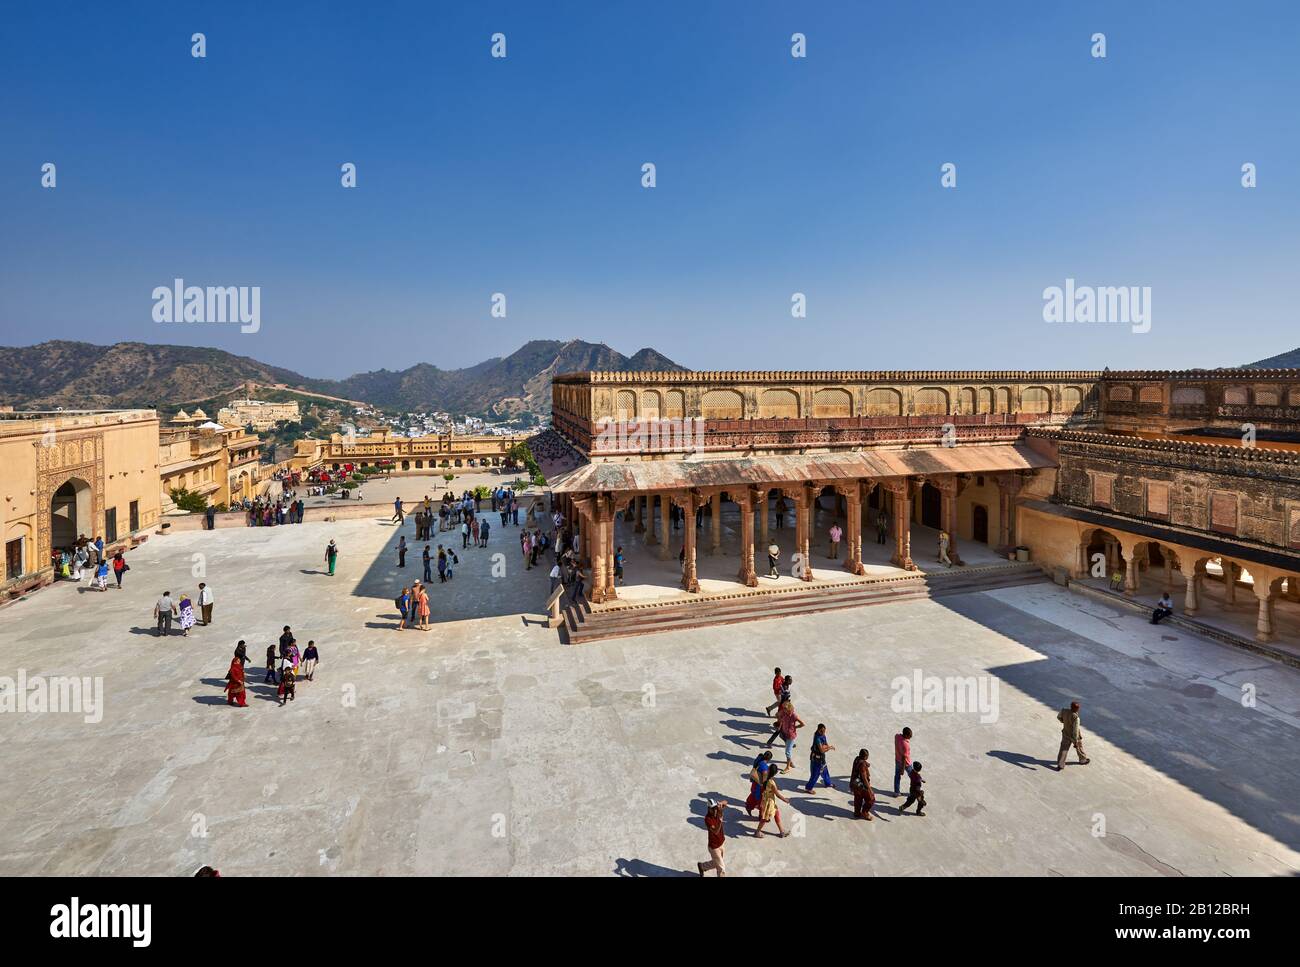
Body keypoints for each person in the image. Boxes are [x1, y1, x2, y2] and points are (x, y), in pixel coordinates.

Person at [1055, 701, 1091, 770]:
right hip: (1074, 736)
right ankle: (1082, 760)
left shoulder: (1064, 710)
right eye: (1078, 708)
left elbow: (1058, 717)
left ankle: (1060, 764)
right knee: (1079, 747)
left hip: (1065, 733)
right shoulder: (1076, 718)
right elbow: (1075, 730)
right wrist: (1075, 741)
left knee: (1063, 749)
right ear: (1076, 709)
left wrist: (1063, 721)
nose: (1078, 709)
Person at [754, 771, 790, 838]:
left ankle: (782, 831)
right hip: (769, 802)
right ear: (774, 774)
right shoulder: (772, 783)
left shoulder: (764, 778)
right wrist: (785, 800)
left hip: (766, 799)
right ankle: (757, 832)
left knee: (776, 813)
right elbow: (777, 794)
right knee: (765, 818)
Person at [697, 798, 728, 877]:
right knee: (721, 869)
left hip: (721, 843)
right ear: (709, 809)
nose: (715, 810)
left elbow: (726, 802)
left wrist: (721, 803)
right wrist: (720, 819)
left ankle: (702, 866)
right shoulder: (707, 819)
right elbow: (716, 831)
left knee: (717, 862)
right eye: (713, 809)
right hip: (714, 847)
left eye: (715, 808)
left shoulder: (717, 810)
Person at [773, 700, 803, 773]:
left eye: (785, 708)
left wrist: (795, 727)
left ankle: (788, 767)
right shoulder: (784, 713)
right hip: (784, 733)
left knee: (787, 752)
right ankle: (790, 761)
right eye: (783, 708)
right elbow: (779, 717)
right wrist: (780, 726)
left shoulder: (794, 716)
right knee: (787, 748)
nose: (783, 709)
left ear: (789, 708)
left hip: (790, 735)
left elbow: (802, 724)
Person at [804, 723, 835, 792]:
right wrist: (829, 748)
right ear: (818, 730)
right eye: (822, 731)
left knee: (825, 771)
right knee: (815, 774)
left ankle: (828, 783)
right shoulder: (817, 738)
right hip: (816, 759)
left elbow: (826, 745)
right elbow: (822, 750)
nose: (823, 733)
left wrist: (825, 747)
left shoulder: (823, 735)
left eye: (824, 731)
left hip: (822, 758)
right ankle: (808, 788)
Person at [744, 750, 774, 816]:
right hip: (759, 787)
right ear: (769, 759)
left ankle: (748, 807)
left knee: (753, 796)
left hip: (754, 783)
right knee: (761, 802)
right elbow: (764, 781)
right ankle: (762, 817)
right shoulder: (765, 769)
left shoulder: (759, 759)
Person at [849, 749, 875, 820]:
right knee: (871, 799)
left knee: (858, 799)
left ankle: (857, 813)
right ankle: (865, 812)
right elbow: (864, 778)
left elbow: (862, 762)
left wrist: (866, 764)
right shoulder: (862, 764)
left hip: (855, 784)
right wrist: (870, 789)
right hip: (861, 785)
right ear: (866, 756)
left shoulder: (857, 759)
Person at [893, 726, 913, 796]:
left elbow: (898, 735)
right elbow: (904, 757)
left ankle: (896, 792)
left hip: (897, 760)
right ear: (906, 735)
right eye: (910, 735)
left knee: (897, 776)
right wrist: (902, 769)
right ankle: (914, 791)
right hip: (906, 763)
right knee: (913, 777)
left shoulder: (897, 736)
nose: (911, 737)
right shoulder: (906, 745)